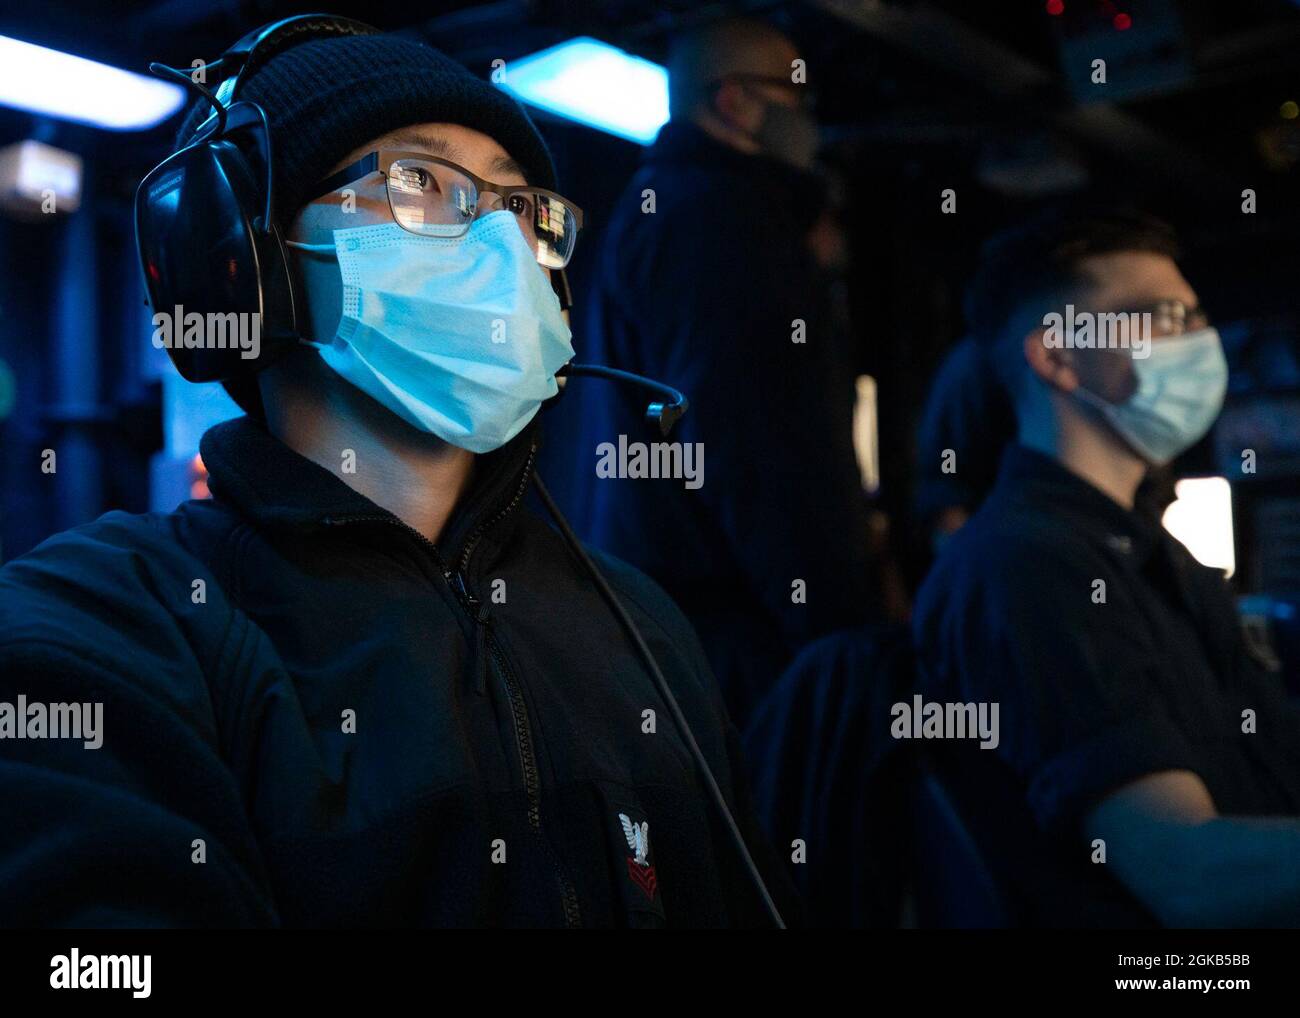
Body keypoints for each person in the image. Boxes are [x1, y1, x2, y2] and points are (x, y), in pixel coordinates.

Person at [0, 21, 798, 929]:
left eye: (523, 208)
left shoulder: (641, 625)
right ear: (243, 261)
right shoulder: (103, 636)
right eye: (420, 180)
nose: (503, 244)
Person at [912, 207, 1300, 926]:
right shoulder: (1027, 567)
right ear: (1056, 356)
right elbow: (1187, 873)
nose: (1200, 341)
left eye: (1197, 316)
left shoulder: (1157, 556)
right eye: (1165, 317)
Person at [571, 17, 885, 728]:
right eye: (794, 90)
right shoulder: (723, 217)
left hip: (680, 616)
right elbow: (758, 441)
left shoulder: (656, 208)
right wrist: (838, 628)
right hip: (744, 631)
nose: (808, 113)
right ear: (736, 102)